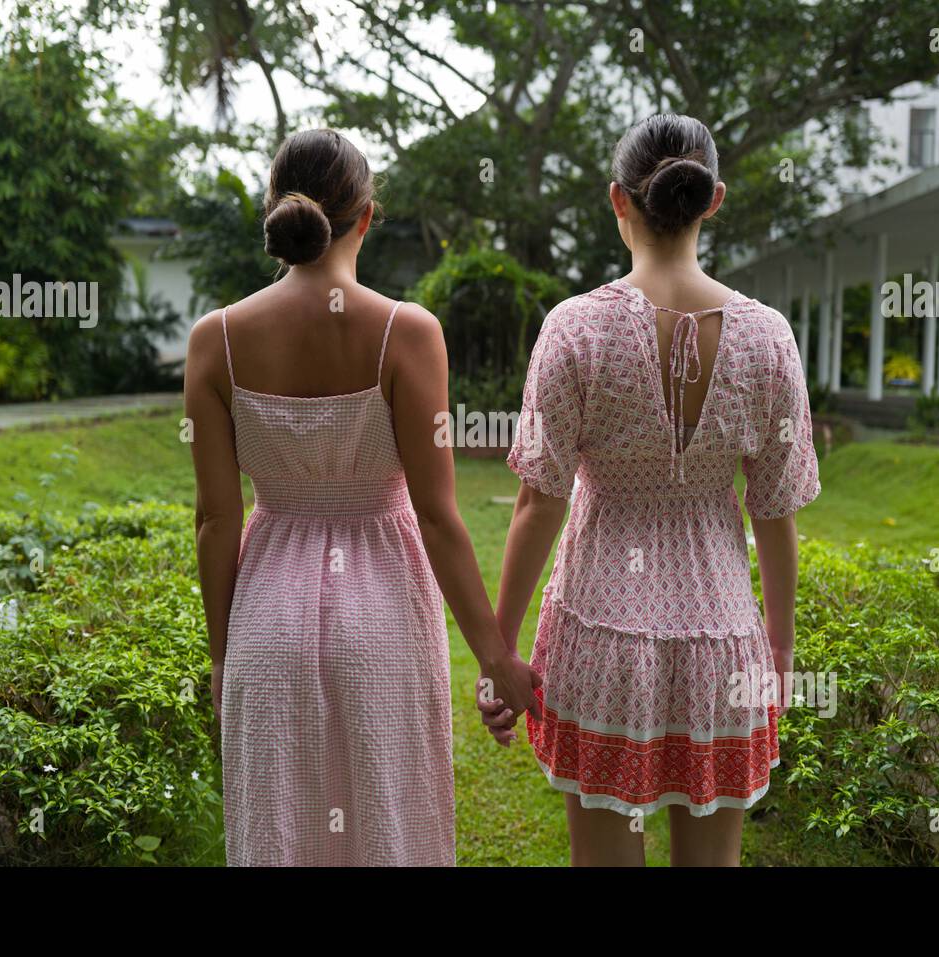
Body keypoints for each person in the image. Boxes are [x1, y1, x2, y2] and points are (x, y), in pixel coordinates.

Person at [186, 128, 539, 866]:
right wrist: (496, 657)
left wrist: (223, 658)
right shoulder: (407, 332)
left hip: (265, 624)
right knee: (390, 828)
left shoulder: (213, 339)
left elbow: (216, 520)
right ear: (368, 218)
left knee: (279, 832)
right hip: (383, 614)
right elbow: (440, 518)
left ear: (276, 211)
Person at [480, 114, 821, 866]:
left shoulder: (575, 331)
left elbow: (540, 500)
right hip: (722, 644)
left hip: (602, 634)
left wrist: (499, 650)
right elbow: (775, 510)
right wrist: (781, 649)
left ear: (617, 201)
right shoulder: (769, 337)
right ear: (713, 199)